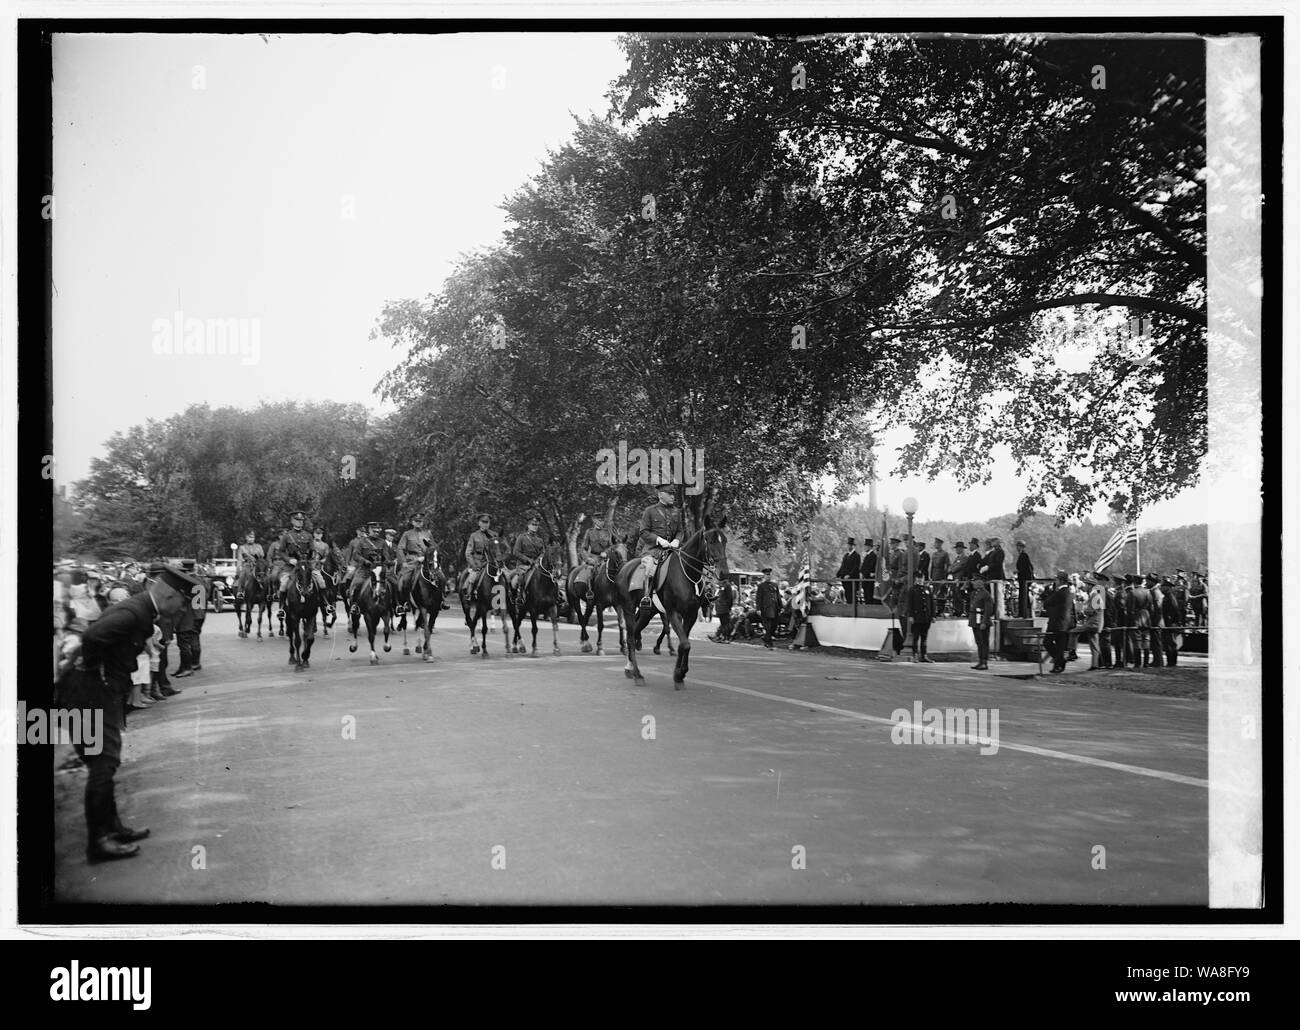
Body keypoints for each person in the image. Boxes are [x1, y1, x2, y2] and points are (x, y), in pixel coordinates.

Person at [56, 563, 187, 862]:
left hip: (98, 693)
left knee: (107, 762)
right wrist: (93, 670)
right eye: (182, 603)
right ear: (167, 596)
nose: (181, 610)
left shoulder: (142, 608)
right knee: (103, 764)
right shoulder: (134, 613)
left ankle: (112, 827)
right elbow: (92, 638)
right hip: (89, 696)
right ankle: (99, 842)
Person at [631, 484, 684, 608]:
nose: (672, 496)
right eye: (669, 494)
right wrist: (659, 540)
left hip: (673, 550)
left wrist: (677, 540)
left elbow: (680, 531)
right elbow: (643, 532)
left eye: (673, 494)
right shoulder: (650, 511)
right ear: (660, 495)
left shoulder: (676, 511)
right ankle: (646, 597)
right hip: (653, 550)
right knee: (650, 568)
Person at [274, 510, 326, 606]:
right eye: (297, 520)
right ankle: (281, 608)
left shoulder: (308, 535)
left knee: (321, 581)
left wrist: (311, 561)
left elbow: (313, 551)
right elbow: (281, 551)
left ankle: (325, 603)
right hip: (291, 566)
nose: (299, 522)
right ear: (292, 521)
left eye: (301, 520)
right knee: (283, 584)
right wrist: (289, 559)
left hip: (306, 565)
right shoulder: (287, 536)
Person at [394, 513, 434, 614]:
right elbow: (400, 548)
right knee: (404, 581)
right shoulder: (407, 534)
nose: (418, 523)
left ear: (423, 522)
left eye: (420, 521)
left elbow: (433, 547)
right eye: (416, 521)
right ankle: (404, 603)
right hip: (412, 561)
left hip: (426, 561)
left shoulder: (428, 534)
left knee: (440, 578)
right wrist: (403, 562)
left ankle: (440, 600)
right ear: (412, 522)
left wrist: (428, 556)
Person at [509, 511, 546, 605]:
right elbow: (515, 552)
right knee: (515, 582)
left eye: (536, 525)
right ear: (528, 525)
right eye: (533, 524)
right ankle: (517, 598)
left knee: (549, 577)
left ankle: (554, 597)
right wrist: (528, 560)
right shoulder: (521, 537)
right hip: (523, 565)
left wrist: (538, 561)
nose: (535, 526)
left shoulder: (540, 540)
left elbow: (543, 552)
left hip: (536, 565)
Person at [462, 513, 499, 599]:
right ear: (479, 523)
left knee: (506, 577)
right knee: (471, 579)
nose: (485, 524)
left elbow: (498, 551)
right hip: (478, 563)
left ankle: (509, 598)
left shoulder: (494, 535)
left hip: (492, 563)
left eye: (487, 522)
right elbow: (468, 553)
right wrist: (473, 565)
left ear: (489, 523)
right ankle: (468, 596)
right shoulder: (474, 535)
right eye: (483, 522)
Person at [1044, 570, 1073, 673]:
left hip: (1056, 623)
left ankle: (1060, 661)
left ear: (1060, 580)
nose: (1055, 581)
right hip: (1065, 623)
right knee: (1060, 646)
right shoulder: (1069, 592)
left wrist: (1049, 592)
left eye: (1056, 579)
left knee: (1047, 642)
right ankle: (1058, 665)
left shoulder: (1060, 592)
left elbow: (1047, 602)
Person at [904, 570, 935, 662]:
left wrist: (933, 615)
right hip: (917, 617)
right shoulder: (912, 590)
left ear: (923, 579)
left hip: (926, 617)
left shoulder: (928, 589)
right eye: (918, 578)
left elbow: (932, 603)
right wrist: (911, 616)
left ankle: (924, 655)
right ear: (915, 579)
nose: (920, 580)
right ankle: (915, 655)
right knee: (916, 637)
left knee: (924, 637)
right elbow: (910, 604)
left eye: (921, 578)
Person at [1081, 572, 1108, 670]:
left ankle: (1096, 664)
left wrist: (1084, 610)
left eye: (1086, 584)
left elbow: (1093, 610)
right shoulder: (1095, 594)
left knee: (1074, 632)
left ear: (1090, 585)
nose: (1084, 586)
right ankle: (1097, 664)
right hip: (1095, 622)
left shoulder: (1096, 594)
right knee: (1095, 645)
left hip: (1094, 623)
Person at [967, 576, 993, 670]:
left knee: (983, 642)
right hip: (975, 620)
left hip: (982, 620)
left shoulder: (986, 594)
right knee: (978, 642)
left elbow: (988, 609)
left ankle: (984, 662)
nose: (973, 583)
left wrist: (984, 622)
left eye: (975, 581)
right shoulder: (975, 593)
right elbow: (964, 595)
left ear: (980, 583)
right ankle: (980, 661)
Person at [235, 529, 264, 600]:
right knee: (242, 576)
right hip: (247, 565)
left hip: (257, 565)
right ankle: (240, 592)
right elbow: (239, 559)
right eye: (250, 537)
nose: (251, 539)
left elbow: (262, 556)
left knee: (266, 576)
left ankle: (268, 593)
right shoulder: (242, 547)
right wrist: (238, 569)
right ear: (246, 538)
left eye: (253, 537)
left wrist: (258, 554)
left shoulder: (258, 546)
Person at [756, 568, 781, 649]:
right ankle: (769, 643)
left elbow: (778, 597)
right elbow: (758, 598)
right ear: (764, 576)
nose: (768, 576)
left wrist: (781, 607)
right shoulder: (761, 586)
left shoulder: (775, 585)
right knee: (768, 627)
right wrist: (758, 608)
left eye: (769, 574)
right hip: (765, 609)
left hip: (774, 609)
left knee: (774, 626)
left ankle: (766, 638)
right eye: (766, 575)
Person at [835, 538, 861, 606]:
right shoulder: (846, 555)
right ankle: (849, 607)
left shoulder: (856, 556)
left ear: (853, 546)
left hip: (852, 579)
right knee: (847, 594)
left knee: (852, 595)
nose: (849, 546)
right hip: (845, 580)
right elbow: (842, 566)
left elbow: (856, 568)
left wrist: (849, 575)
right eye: (848, 545)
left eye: (850, 545)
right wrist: (838, 574)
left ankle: (853, 609)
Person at [709, 577, 735, 643]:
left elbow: (730, 598)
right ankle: (721, 637)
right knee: (723, 623)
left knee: (726, 624)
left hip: (724, 608)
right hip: (720, 608)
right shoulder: (722, 586)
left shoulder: (727, 586)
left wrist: (729, 607)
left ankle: (726, 638)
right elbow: (719, 596)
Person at [929, 538, 950, 613]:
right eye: (935, 543)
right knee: (934, 593)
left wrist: (945, 577)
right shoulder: (934, 554)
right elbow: (932, 566)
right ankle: (934, 610)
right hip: (934, 574)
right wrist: (931, 576)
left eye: (936, 543)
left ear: (940, 544)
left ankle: (940, 610)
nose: (935, 544)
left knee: (941, 593)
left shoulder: (945, 554)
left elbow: (947, 566)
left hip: (941, 574)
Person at [1014, 540, 1034, 618]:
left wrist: (1019, 571)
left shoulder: (1024, 555)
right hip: (1022, 579)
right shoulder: (1022, 555)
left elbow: (1026, 568)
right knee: (1023, 596)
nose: (1017, 548)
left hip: (1024, 579)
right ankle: (1023, 612)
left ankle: (1025, 613)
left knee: (1024, 596)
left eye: (1018, 546)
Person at [950, 541, 969, 616]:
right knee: (954, 594)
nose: (957, 550)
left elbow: (959, 566)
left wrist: (951, 570)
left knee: (958, 594)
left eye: (958, 548)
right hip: (954, 578)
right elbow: (953, 565)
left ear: (962, 549)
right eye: (956, 548)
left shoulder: (964, 557)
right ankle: (956, 609)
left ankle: (960, 610)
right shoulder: (957, 558)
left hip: (959, 578)